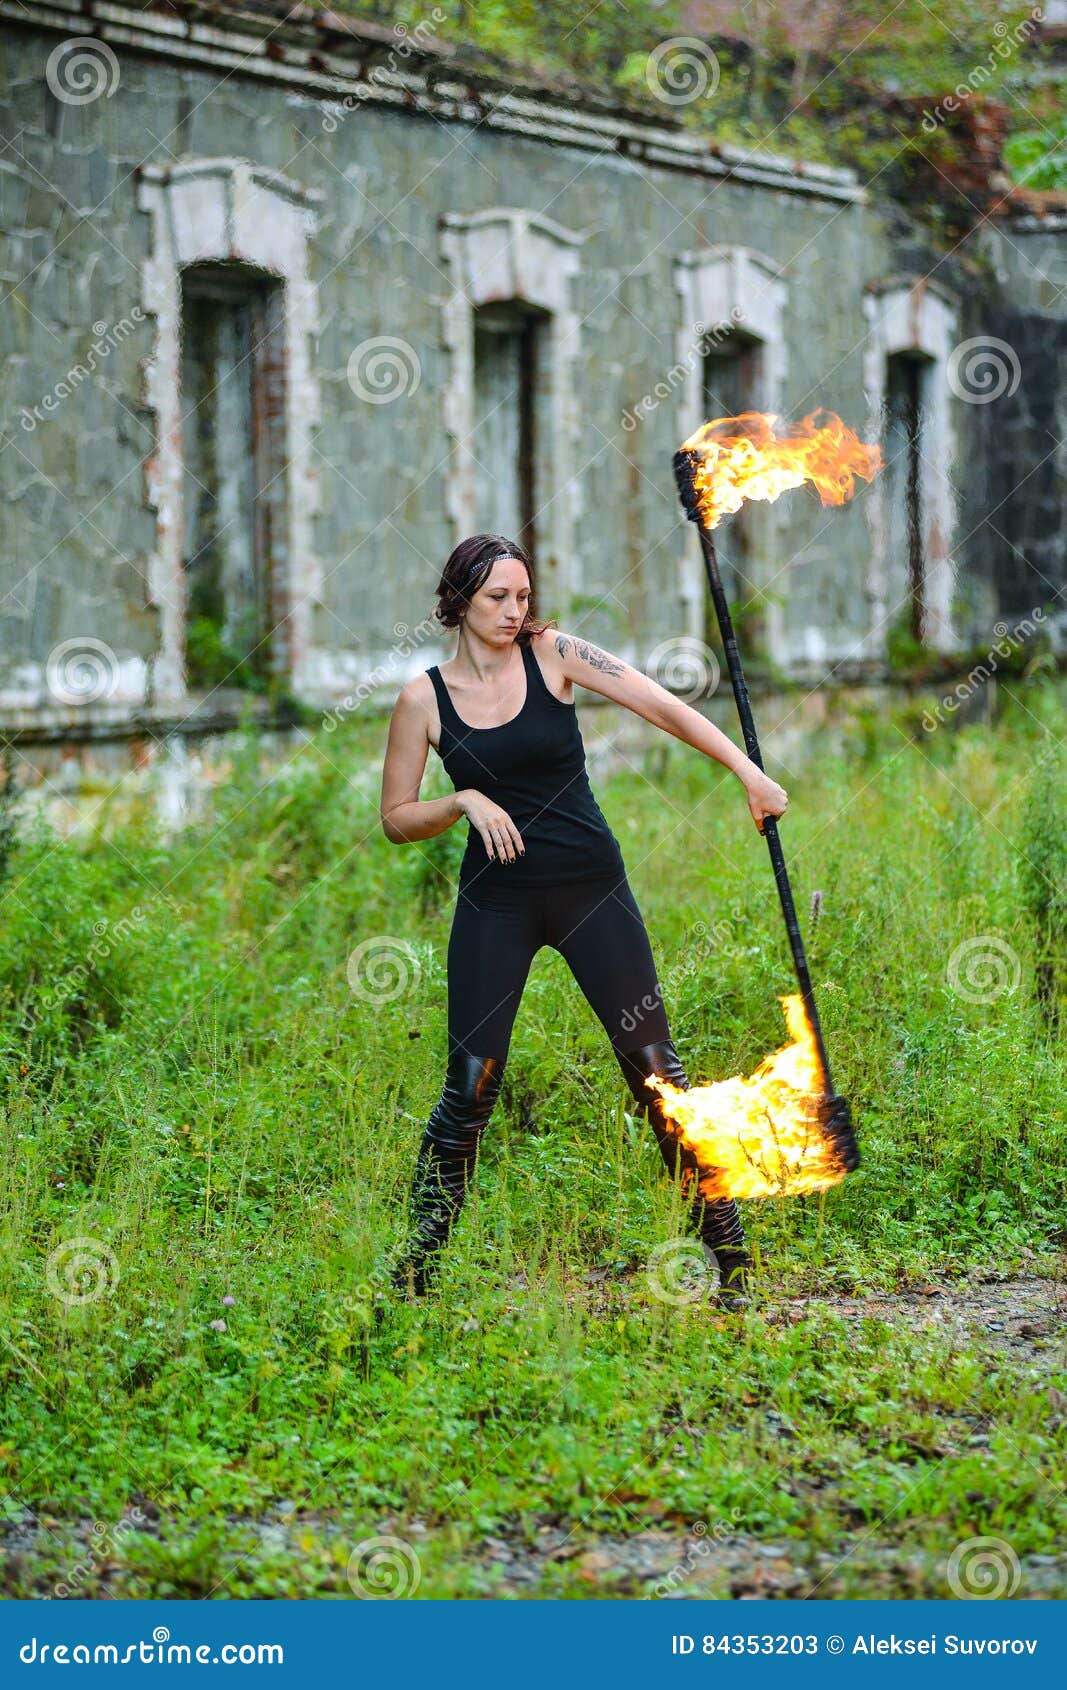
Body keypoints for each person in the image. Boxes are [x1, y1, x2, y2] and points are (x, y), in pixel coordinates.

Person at [378, 534, 789, 1311]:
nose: (514, 611)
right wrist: (463, 799)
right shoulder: (422, 699)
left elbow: (662, 705)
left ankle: (731, 1263)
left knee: (655, 1071)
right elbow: (396, 818)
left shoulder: (556, 654)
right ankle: (413, 1276)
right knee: (470, 1085)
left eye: (523, 596)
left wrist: (748, 773)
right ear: (459, 599)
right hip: (495, 902)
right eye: (498, 598)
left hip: (589, 890)